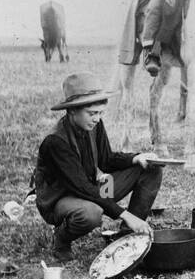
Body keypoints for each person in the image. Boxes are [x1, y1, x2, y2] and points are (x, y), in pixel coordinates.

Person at [34, 73, 162, 262]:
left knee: (150, 168)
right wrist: (126, 215)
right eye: (92, 113)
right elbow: (82, 188)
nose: (97, 119)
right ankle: (61, 239)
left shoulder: (94, 125)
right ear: (72, 111)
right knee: (91, 214)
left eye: (101, 113)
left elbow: (106, 160)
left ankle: (127, 236)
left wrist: (137, 158)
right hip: (61, 199)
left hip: (91, 189)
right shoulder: (56, 141)